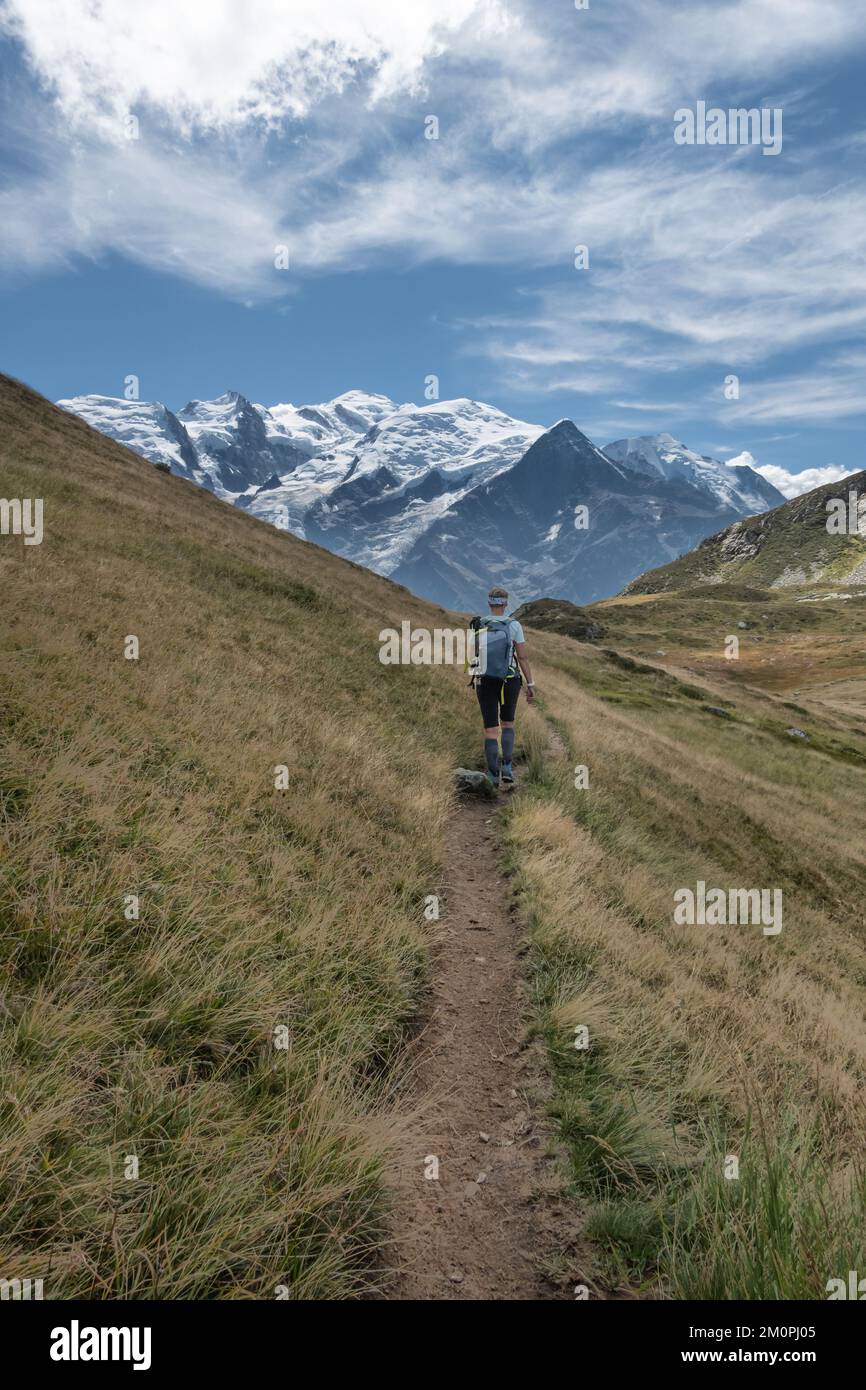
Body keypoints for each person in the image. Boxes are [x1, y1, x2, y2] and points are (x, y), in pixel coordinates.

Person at [471, 586, 536, 788]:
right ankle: (507, 768)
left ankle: (492, 776)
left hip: (485, 679)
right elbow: (523, 657)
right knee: (507, 723)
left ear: (490, 603)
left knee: (490, 730)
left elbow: (474, 655)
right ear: (506, 603)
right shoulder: (514, 625)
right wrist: (530, 684)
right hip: (510, 679)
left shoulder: (479, 623)